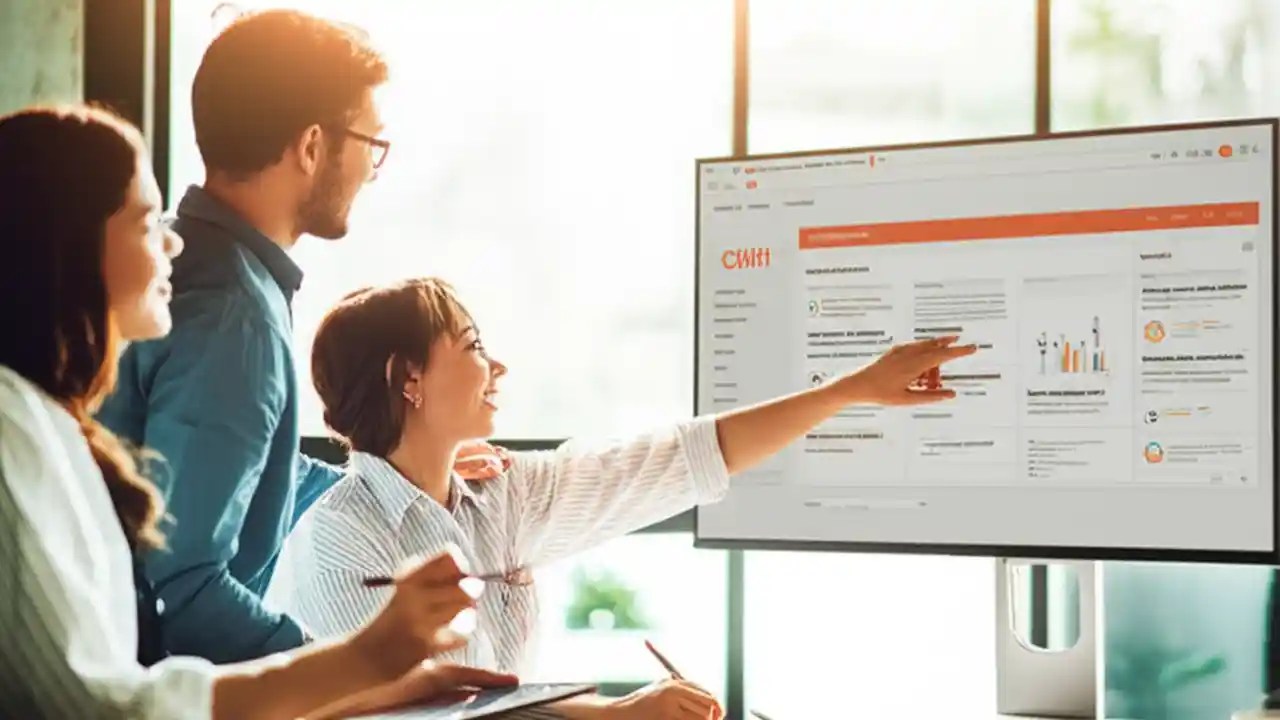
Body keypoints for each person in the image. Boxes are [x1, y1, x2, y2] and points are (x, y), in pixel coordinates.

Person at [0, 105, 518, 719]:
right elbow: (93, 707)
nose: (172, 240)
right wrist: (365, 661)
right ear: (67, 245)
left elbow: (244, 472)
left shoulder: (53, 427)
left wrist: (372, 679)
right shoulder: (16, 432)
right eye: (144, 220)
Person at [278, 278, 976, 719]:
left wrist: (850, 391)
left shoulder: (499, 496)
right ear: (409, 381)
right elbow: (434, 710)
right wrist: (612, 717)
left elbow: (684, 457)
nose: (498, 366)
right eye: (472, 346)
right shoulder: (340, 540)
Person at [96, 9, 503, 664]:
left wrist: (387, 476)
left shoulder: (187, 259)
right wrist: (351, 671)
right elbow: (186, 592)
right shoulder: (237, 316)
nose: (374, 170)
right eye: (372, 145)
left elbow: (212, 470)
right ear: (313, 146)